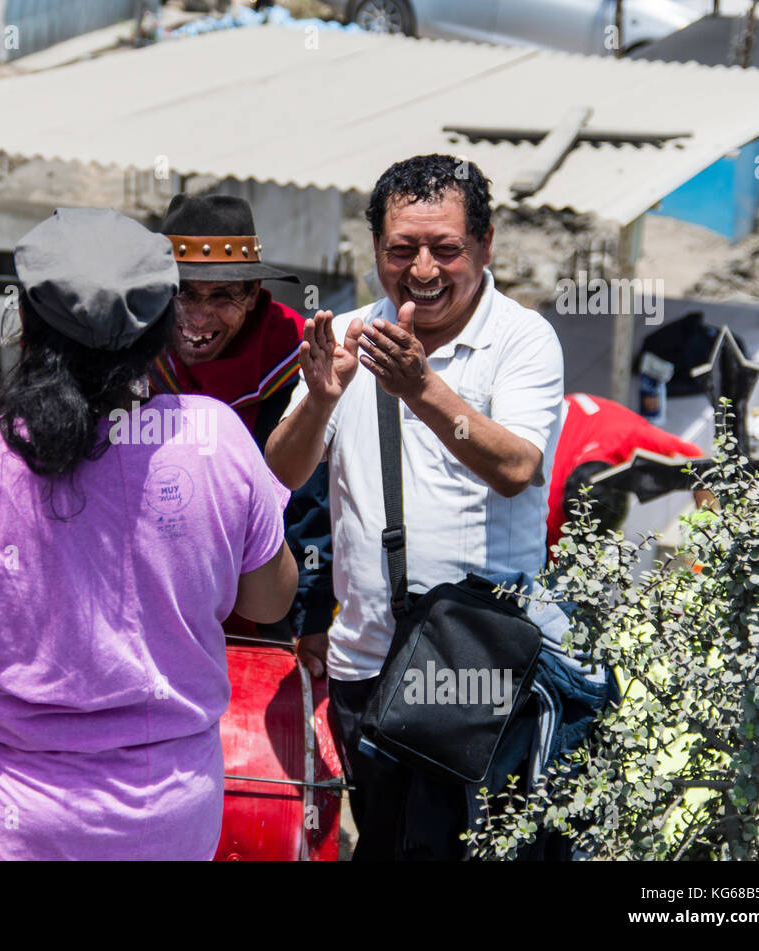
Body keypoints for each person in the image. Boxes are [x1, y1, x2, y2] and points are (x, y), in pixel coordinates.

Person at [0, 207, 298, 860]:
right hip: (172, 817)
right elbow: (269, 600)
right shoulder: (216, 436)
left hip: (10, 819)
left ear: (30, 330)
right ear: (158, 329)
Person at [264, 154, 565, 860]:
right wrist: (324, 400)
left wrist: (420, 386)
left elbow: (516, 467)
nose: (422, 269)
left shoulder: (522, 339)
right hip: (366, 666)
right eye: (402, 250)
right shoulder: (345, 340)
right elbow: (280, 472)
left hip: (478, 665)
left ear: (486, 247)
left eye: (445, 248)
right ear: (375, 249)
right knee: (386, 842)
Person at [150, 194, 335, 649]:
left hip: (270, 600)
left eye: (222, 296)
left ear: (253, 294)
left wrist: (310, 623)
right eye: (183, 292)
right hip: (158, 599)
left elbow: (312, 499)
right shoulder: (138, 352)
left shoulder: (301, 360)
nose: (197, 316)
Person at [548, 392, 706, 556]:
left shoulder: (626, 433)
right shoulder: (549, 512)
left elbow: (702, 466)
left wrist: (703, 537)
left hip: (595, 414)